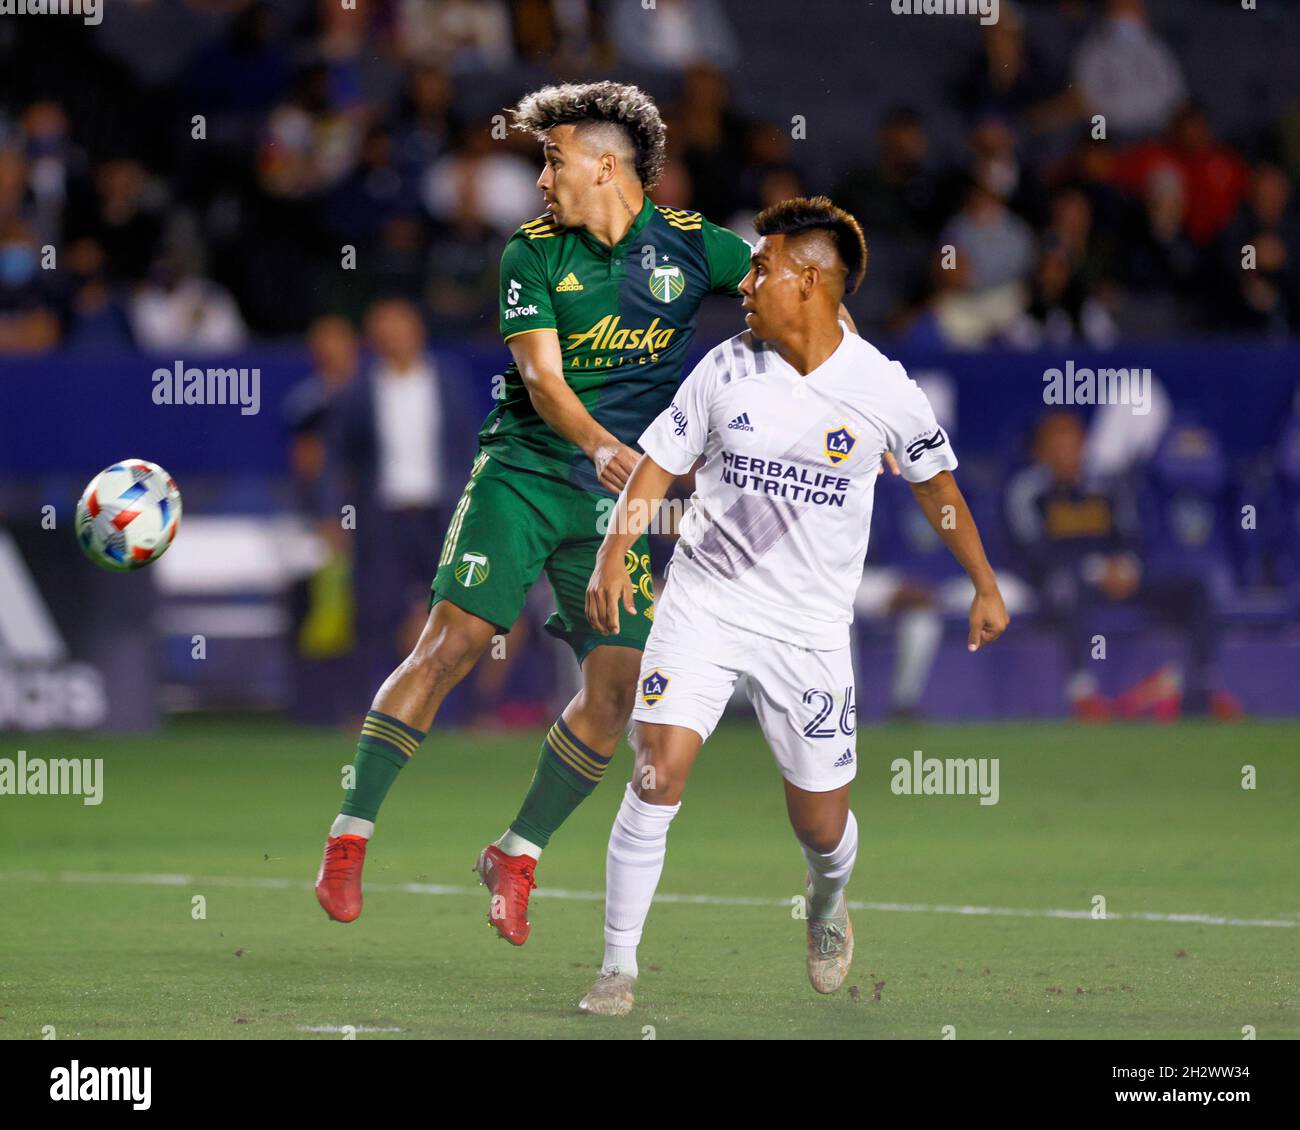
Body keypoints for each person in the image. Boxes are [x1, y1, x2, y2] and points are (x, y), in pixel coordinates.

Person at [315, 81, 806, 943]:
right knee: (453, 643)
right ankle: (351, 835)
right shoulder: (531, 254)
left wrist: (841, 394)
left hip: (621, 506)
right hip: (529, 471)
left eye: (554, 158)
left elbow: (794, 299)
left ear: (607, 165)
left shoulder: (697, 248)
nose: (541, 178)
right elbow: (542, 383)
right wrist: (602, 449)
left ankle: (518, 851)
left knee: (617, 694)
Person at [577, 197, 1010, 1015]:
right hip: (703, 602)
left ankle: (825, 899)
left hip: (808, 632)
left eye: (763, 267)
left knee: (819, 826)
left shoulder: (882, 389)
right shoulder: (723, 368)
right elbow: (659, 467)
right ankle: (617, 967)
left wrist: (984, 585)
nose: (747, 281)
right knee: (655, 770)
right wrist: (615, 550)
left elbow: (938, 488)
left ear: (809, 281)